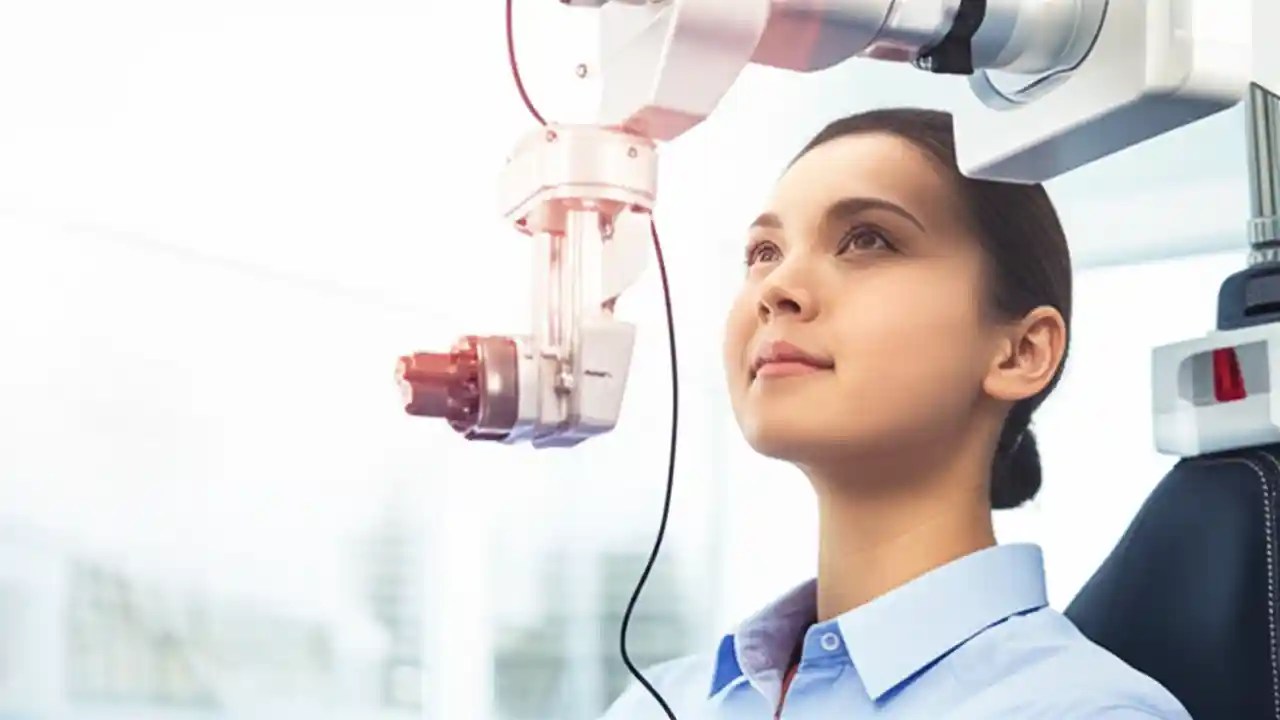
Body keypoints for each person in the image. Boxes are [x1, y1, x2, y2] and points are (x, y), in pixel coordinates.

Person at [598, 108, 1192, 719]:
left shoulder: (1086, 711)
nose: (776, 288)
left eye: (867, 240)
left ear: (1020, 351)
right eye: (764, 251)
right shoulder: (658, 702)